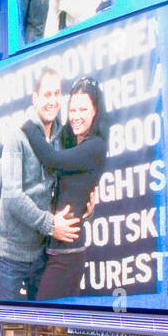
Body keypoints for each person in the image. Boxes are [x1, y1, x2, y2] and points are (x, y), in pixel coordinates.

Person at [0, 70, 90, 301]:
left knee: (42, 329)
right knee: (8, 326)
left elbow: (70, 184)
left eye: (57, 93)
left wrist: (86, 205)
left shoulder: (63, 137)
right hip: (12, 255)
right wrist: (50, 225)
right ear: (35, 98)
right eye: (47, 94)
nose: (52, 101)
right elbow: (12, 196)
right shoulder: (16, 135)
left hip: (44, 253)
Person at [21, 76, 107, 300]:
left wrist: (28, 126)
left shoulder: (95, 146)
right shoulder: (73, 141)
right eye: (73, 110)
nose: (76, 116)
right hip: (52, 247)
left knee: (46, 322)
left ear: (94, 111)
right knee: (48, 325)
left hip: (68, 253)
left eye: (83, 110)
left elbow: (52, 160)